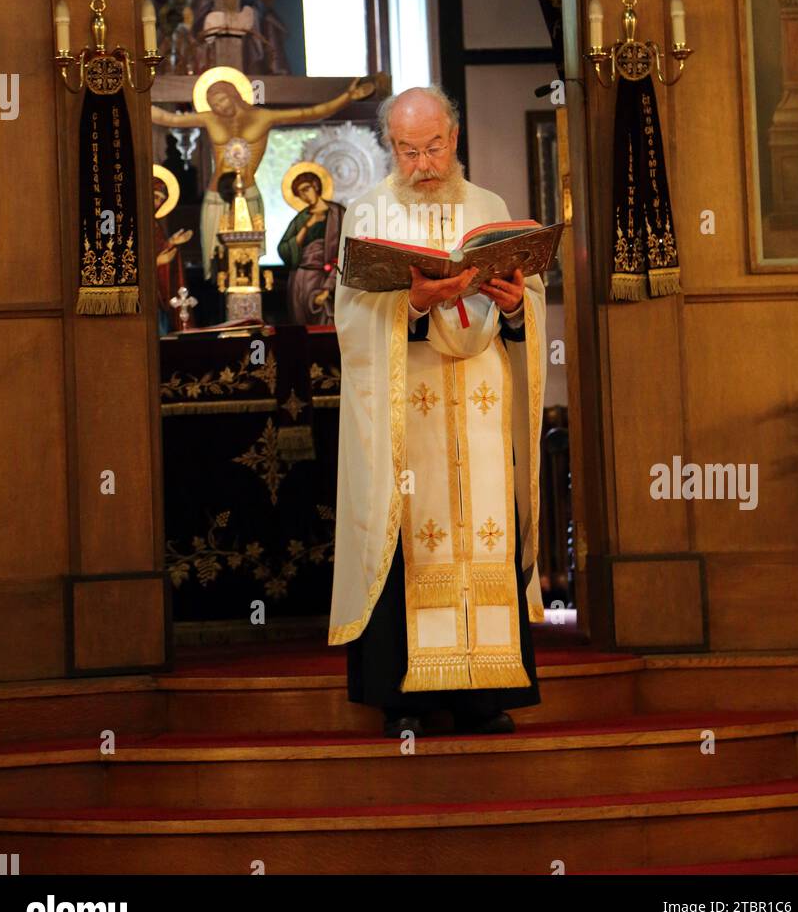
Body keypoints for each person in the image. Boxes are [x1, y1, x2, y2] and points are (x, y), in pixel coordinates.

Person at [330, 85, 547, 737]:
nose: (422, 163)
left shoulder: (490, 208)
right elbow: (351, 317)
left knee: (486, 530)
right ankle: (409, 700)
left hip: (479, 403)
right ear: (389, 146)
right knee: (409, 532)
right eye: (406, 149)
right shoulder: (368, 214)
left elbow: (528, 300)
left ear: (453, 139)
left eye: (432, 147)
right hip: (407, 408)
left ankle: (486, 692)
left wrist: (514, 305)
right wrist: (415, 302)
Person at [152, 74, 374, 280]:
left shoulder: (263, 117)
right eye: (214, 104)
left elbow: (310, 113)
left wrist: (348, 97)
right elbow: (168, 118)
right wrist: (133, 96)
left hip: (248, 192)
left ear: (235, 94)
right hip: (217, 196)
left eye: (222, 100)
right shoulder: (210, 118)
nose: (219, 107)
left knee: (248, 264)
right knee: (216, 261)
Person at [278, 169, 344, 324]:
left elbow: (346, 250)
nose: (304, 196)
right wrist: (307, 226)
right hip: (300, 280)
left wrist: (329, 287)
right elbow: (284, 249)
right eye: (300, 194)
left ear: (315, 186)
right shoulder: (302, 218)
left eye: (306, 189)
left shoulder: (337, 213)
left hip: (327, 278)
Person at [153, 177, 193, 334]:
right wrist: (155, 262)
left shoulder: (155, 224)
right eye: (155, 197)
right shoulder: (138, 222)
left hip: (160, 287)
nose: (158, 204)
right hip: (149, 287)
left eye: (162, 200)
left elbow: (159, 247)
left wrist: (173, 242)